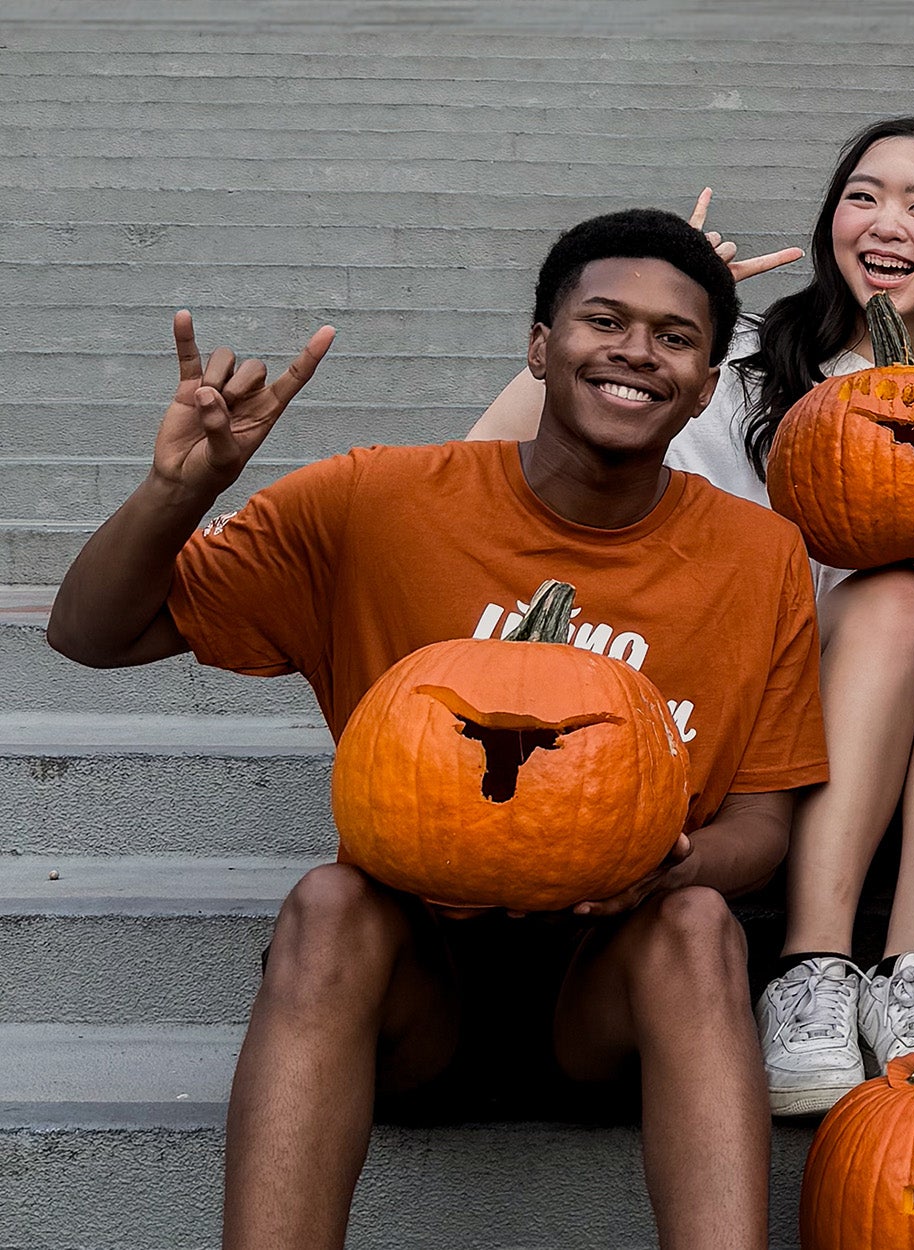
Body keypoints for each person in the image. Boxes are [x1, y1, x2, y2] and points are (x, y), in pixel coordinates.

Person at [49, 209, 824, 1246]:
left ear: (700, 383)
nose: (639, 351)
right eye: (605, 320)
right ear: (540, 348)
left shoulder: (758, 552)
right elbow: (91, 634)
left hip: (611, 991)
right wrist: (177, 495)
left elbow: (765, 827)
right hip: (416, 983)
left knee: (699, 926)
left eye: (677, 337)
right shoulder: (378, 501)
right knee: (328, 900)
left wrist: (667, 868)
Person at [465, 120, 914, 1116]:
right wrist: (645, 294)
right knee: (895, 599)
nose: (888, 222)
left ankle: (910, 968)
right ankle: (811, 965)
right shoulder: (740, 355)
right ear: (828, 219)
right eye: (863, 195)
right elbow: (488, 452)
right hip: (722, 699)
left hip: (889, 724)